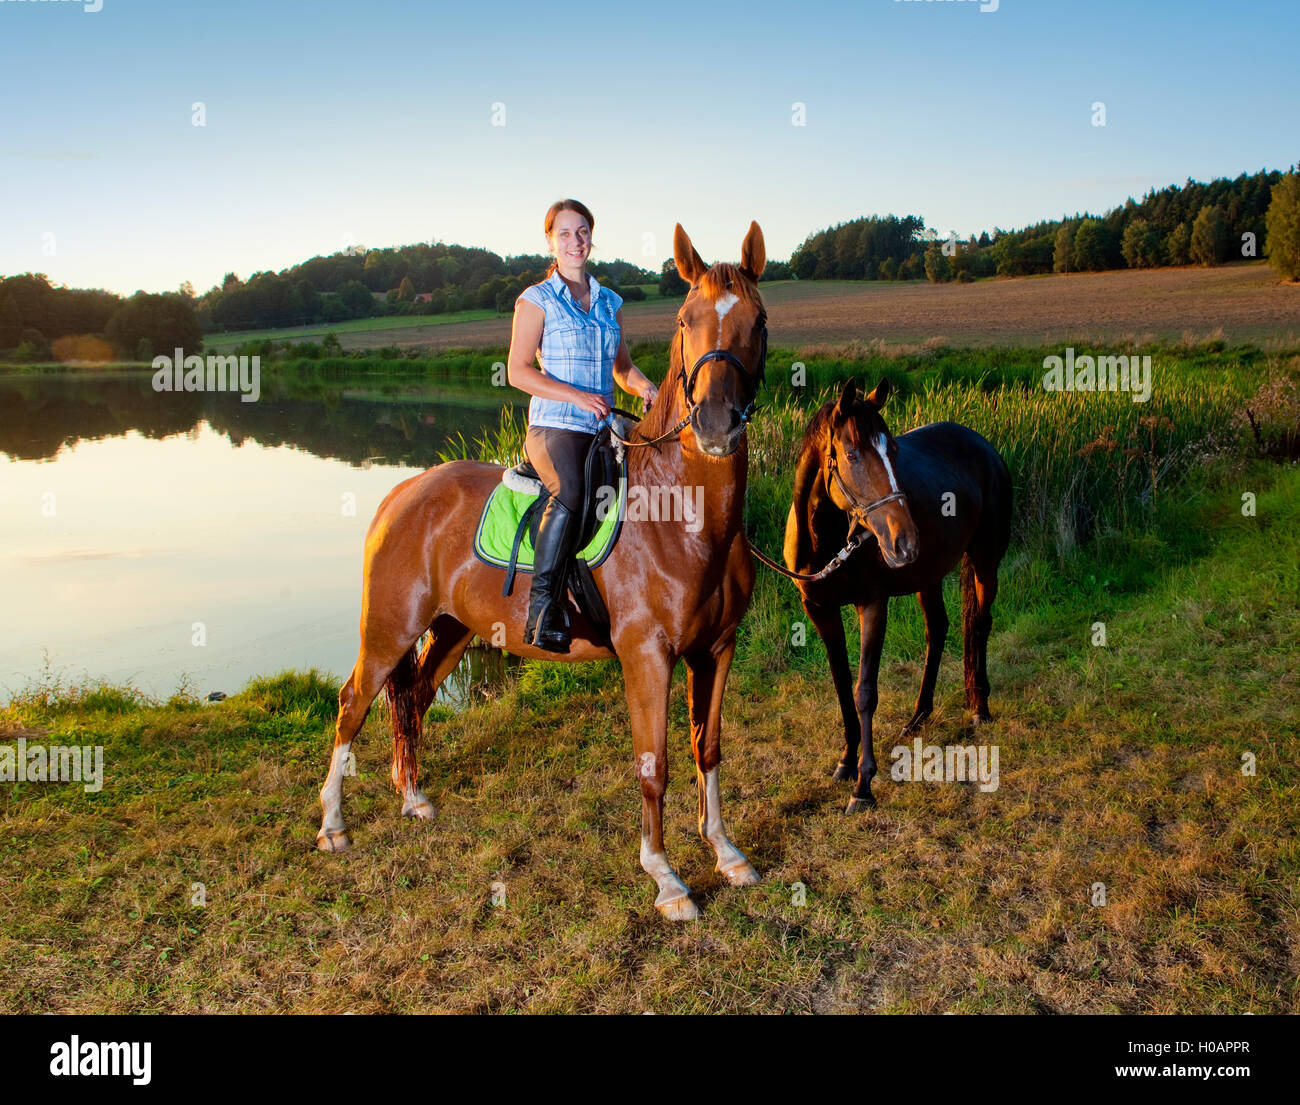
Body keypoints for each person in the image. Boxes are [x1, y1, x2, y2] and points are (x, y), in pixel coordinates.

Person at [507, 199, 658, 653]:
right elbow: (517, 371)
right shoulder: (536, 300)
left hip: (605, 429)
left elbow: (622, 369)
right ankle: (543, 607)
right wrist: (576, 396)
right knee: (571, 491)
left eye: (583, 231)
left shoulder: (611, 301)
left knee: (653, 487)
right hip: (554, 427)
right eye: (566, 233)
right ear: (550, 240)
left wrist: (648, 389)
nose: (576, 241)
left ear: (592, 237)